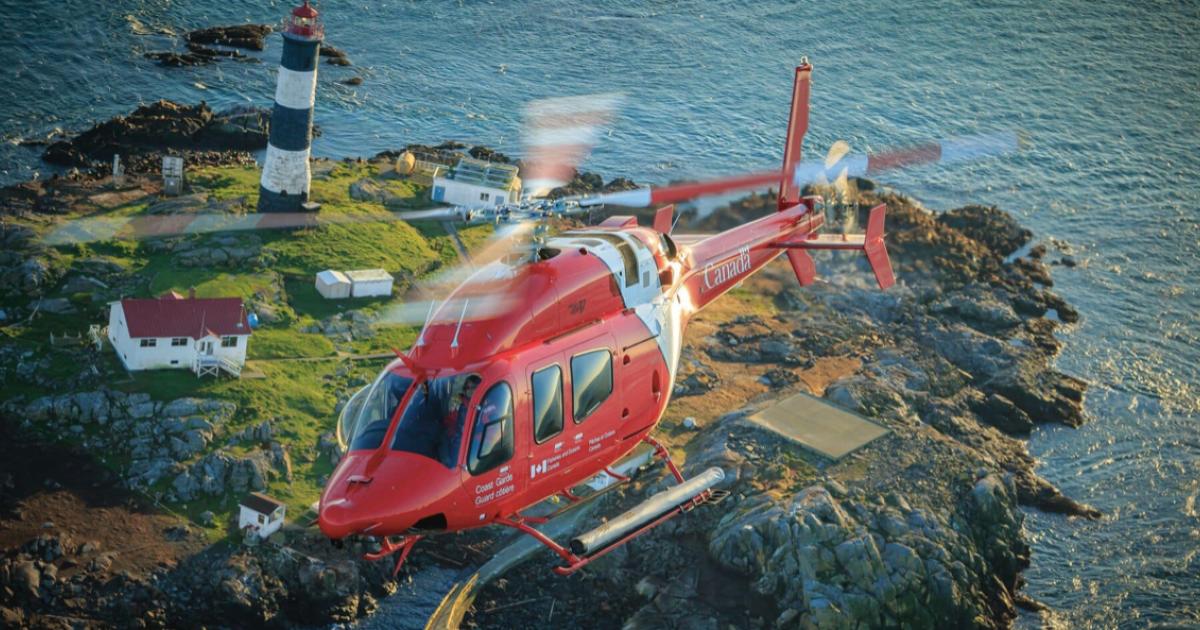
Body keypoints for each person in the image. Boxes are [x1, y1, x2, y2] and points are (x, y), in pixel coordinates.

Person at [438, 376, 479, 467]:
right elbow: (450, 421)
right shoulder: (460, 405)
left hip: (475, 443)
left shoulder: (485, 404)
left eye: (474, 387)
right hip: (459, 441)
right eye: (468, 388)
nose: (470, 391)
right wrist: (451, 432)